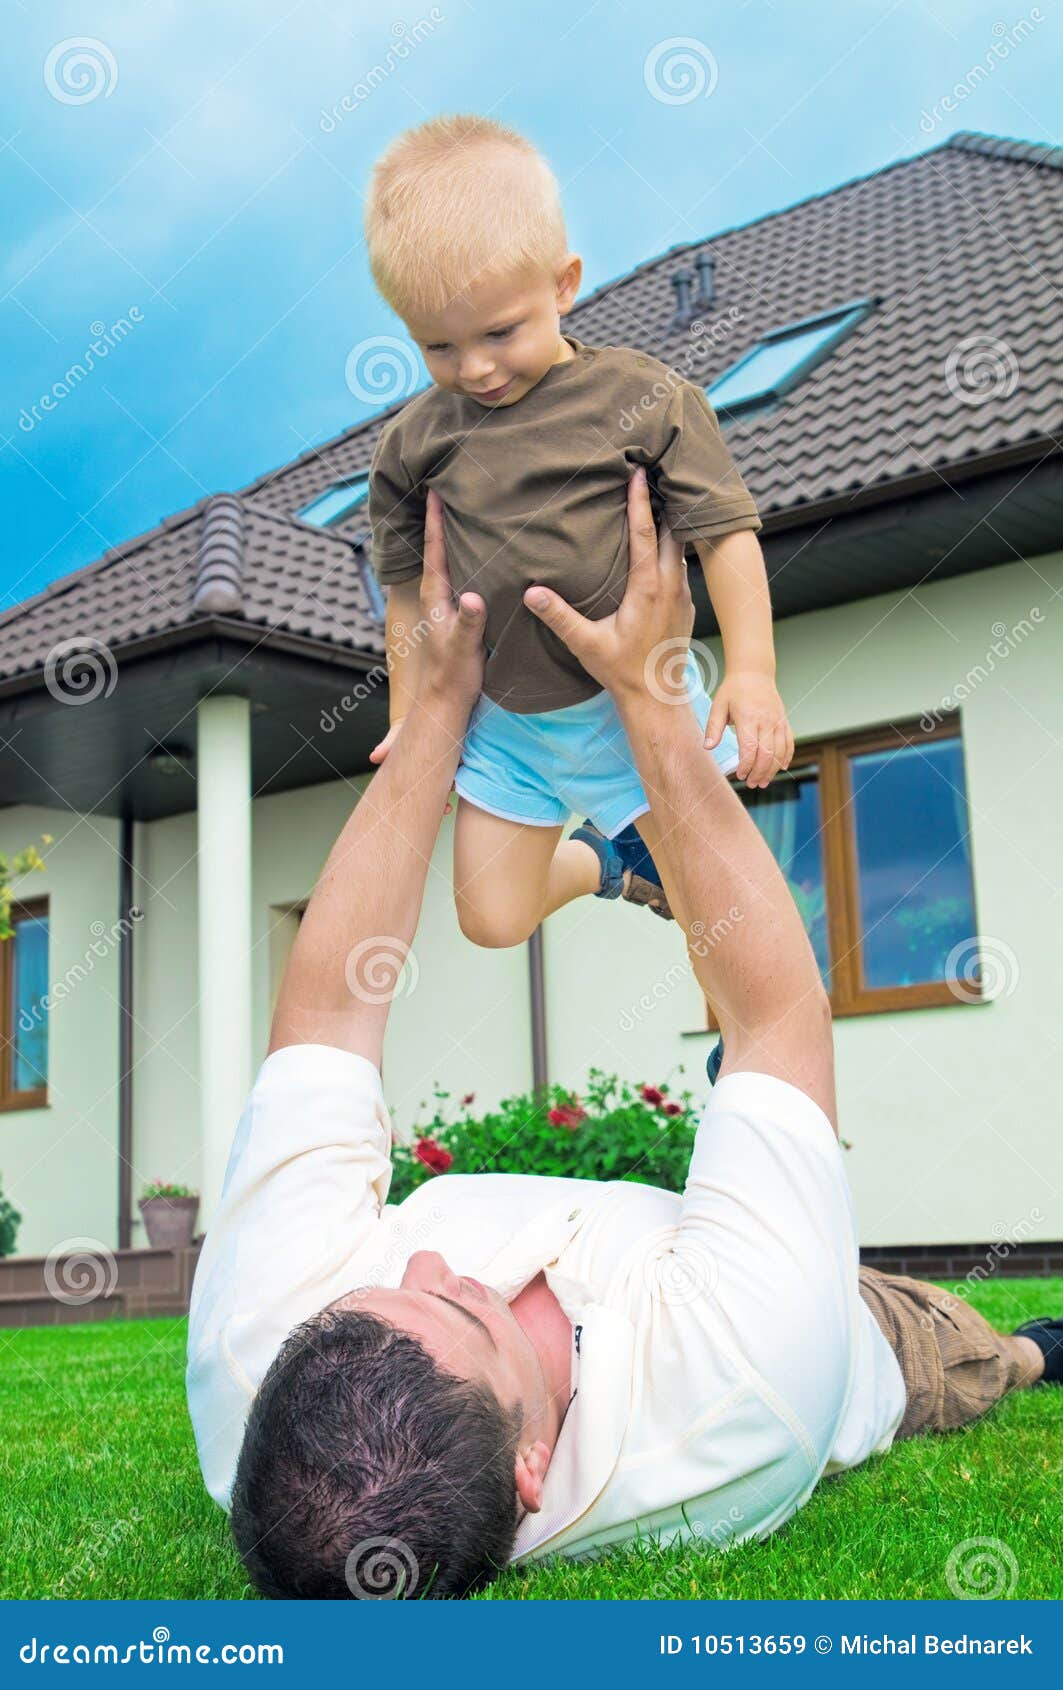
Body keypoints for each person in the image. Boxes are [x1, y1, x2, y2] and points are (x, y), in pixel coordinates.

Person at [186, 472, 1058, 1602]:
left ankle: (627, 895)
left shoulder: (252, 1349)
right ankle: (1038, 1345)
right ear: (533, 1464)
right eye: (460, 1305)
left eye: (389, 1285)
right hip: (834, 1323)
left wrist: (436, 713)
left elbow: (329, 1015)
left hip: (679, 1253)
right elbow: (776, 1014)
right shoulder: (744, 1383)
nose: (438, 1259)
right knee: (963, 1352)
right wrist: (652, 697)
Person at [363, 112, 793, 938]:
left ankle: (737, 1043)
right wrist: (410, 718)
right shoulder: (412, 444)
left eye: (500, 332)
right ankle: (609, 862)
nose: (476, 367)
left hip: (633, 708)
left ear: (563, 285)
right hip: (508, 724)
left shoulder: (644, 398)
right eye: (439, 347)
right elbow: (408, 598)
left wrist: (753, 672)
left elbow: (725, 533)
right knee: (490, 920)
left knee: (722, 913)